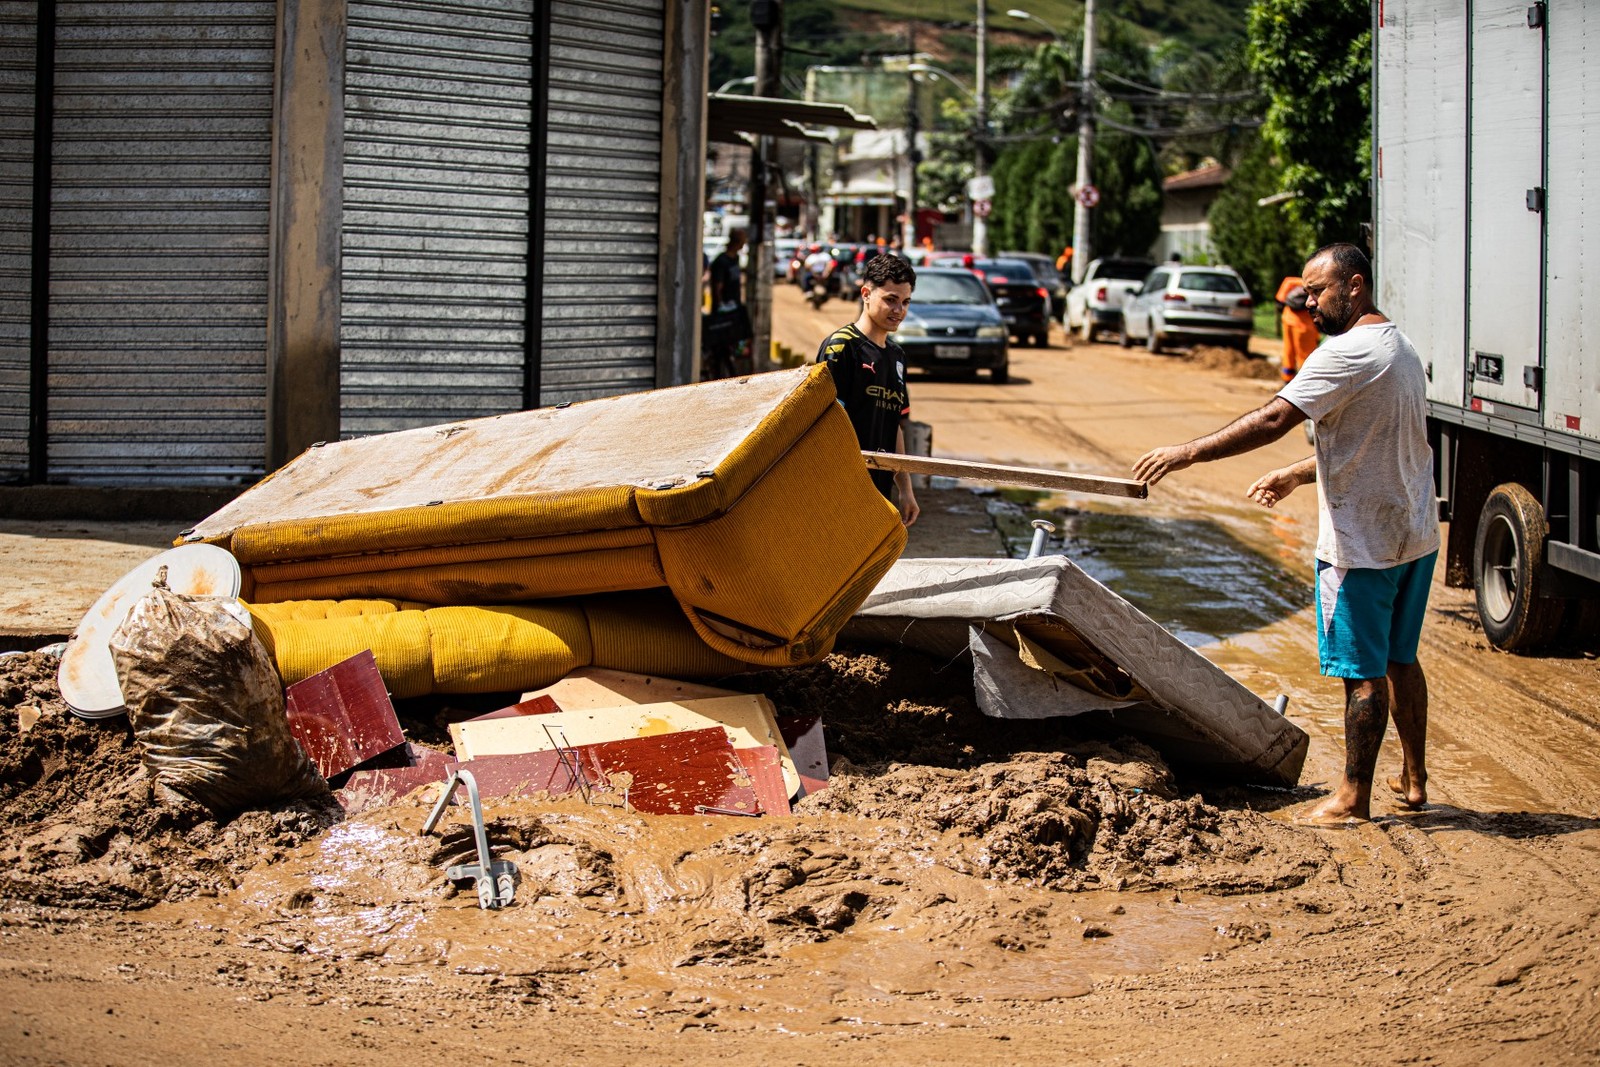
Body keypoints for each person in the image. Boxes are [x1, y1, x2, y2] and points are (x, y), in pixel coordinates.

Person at [1132, 243, 1438, 826]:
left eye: (1317, 290)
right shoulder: (1399, 346)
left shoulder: (1343, 354)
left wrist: (1188, 451)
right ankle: (1415, 776)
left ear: (1356, 286)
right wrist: (1300, 474)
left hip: (1362, 546)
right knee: (1402, 659)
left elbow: (1274, 419)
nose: (1307, 301)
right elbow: (1379, 442)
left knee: (1362, 675)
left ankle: (1353, 796)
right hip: (1413, 533)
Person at [815, 253, 920, 526]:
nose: (899, 310)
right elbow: (825, 425)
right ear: (866, 294)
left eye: (905, 302)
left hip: (879, 493)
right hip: (840, 489)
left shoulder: (897, 357)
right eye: (891, 299)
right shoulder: (841, 347)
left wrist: (905, 489)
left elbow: (895, 424)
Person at [704, 228, 750, 379]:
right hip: (723, 313)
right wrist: (721, 306)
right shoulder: (721, 262)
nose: (744, 243)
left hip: (734, 309)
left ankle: (731, 371)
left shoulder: (734, 259)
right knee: (721, 349)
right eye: (743, 240)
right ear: (736, 241)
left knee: (736, 343)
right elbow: (717, 287)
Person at [1275, 275, 1319, 380]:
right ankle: (1306, 381)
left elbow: (1279, 302)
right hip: (1304, 325)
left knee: (1288, 352)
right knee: (1306, 356)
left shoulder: (1290, 281)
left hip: (1287, 320)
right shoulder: (1318, 286)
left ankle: (1287, 379)